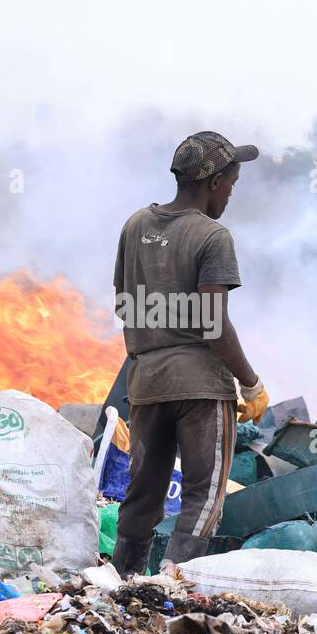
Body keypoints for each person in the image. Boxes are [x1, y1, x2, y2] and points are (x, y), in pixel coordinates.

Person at [109, 131, 270, 577]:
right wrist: (250, 381)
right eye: (232, 184)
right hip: (199, 386)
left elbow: (124, 302)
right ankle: (174, 584)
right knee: (204, 493)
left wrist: (154, 340)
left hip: (144, 383)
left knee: (144, 490)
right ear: (213, 182)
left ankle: (125, 582)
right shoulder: (212, 235)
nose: (231, 195)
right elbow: (212, 323)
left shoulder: (135, 226)